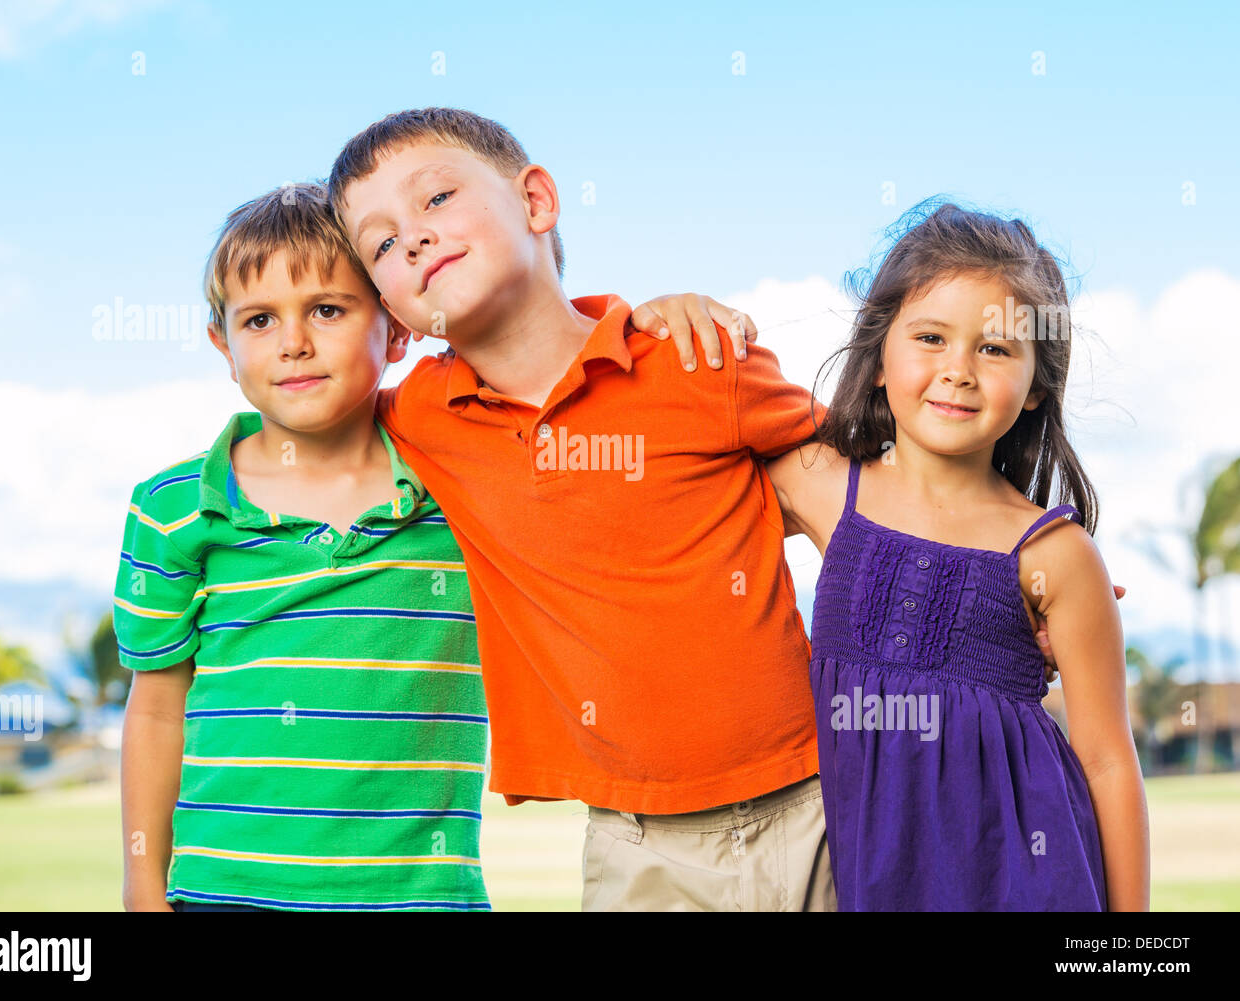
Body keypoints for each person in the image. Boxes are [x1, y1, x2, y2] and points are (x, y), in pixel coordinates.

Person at [116, 180, 757, 912]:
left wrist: (652, 326)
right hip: (221, 895)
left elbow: (566, 393)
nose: (294, 342)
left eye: (327, 310)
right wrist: (142, 881)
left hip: (425, 896)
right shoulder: (170, 509)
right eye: (259, 319)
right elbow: (158, 708)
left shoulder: (459, 468)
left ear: (396, 328)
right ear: (223, 346)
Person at [328, 107, 835, 911]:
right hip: (633, 843)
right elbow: (306, 407)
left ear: (536, 202)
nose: (414, 239)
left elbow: (882, 504)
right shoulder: (416, 420)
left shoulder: (691, 356)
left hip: (824, 800)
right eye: (381, 244)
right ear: (391, 309)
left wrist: (1031, 576)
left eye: (436, 199)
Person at [767, 201, 1150, 910]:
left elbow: (1107, 759)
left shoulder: (1056, 551)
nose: (960, 370)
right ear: (879, 357)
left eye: (996, 348)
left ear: (1037, 385)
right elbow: (684, 490)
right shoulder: (821, 484)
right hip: (860, 870)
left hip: (1024, 879)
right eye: (931, 337)